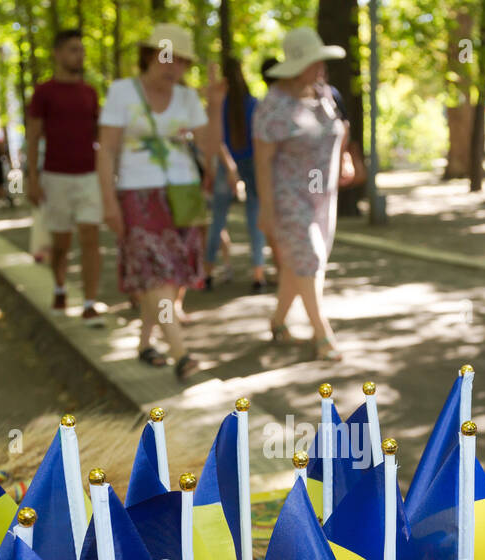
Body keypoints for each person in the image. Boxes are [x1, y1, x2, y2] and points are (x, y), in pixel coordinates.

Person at [99, 23, 224, 381]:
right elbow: (106, 150)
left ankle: (145, 343)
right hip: (137, 196)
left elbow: (209, 147)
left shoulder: (187, 99)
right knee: (156, 274)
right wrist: (108, 202)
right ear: (150, 55)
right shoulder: (122, 92)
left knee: (168, 277)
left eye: (182, 61)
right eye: (168, 57)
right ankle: (180, 352)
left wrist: (215, 106)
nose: (174, 67)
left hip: (183, 195)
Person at [255, 27, 348, 361]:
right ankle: (322, 335)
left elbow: (339, 129)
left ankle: (278, 321)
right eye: (314, 62)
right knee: (310, 259)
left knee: (302, 264)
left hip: (323, 195)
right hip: (290, 198)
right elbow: (262, 162)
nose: (321, 67)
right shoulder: (272, 106)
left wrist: (346, 158)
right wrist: (266, 210)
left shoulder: (324, 94)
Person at [27, 29, 107, 321]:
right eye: (73, 50)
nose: (79, 55)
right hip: (55, 176)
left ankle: (89, 303)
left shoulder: (90, 93)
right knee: (61, 244)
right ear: (58, 53)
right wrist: (32, 179)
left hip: (88, 176)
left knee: (90, 238)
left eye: (81, 50)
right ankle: (60, 287)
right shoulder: (43, 92)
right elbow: (32, 137)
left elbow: (101, 136)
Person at [205, 56, 267, 293]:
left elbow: (217, 140)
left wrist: (227, 166)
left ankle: (207, 273)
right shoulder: (254, 104)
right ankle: (258, 274)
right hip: (249, 164)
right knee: (255, 219)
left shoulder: (221, 106)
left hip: (228, 163)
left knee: (218, 220)